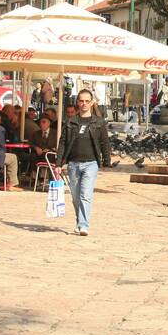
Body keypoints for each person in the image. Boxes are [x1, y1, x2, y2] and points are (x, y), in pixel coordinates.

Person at [57, 88, 111, 236]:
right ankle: (79, 220)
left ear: (92, 103)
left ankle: (83, 225)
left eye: (87, 101)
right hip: (73, 163)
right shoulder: (71, 122)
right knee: (75, 196)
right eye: (81, 101)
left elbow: (105, 142)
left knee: (85, 194)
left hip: (91, 163)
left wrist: (106, 161)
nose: (84, 104)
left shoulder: (98, 122)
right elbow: (63, 143)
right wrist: (58, 163)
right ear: (77, 102)